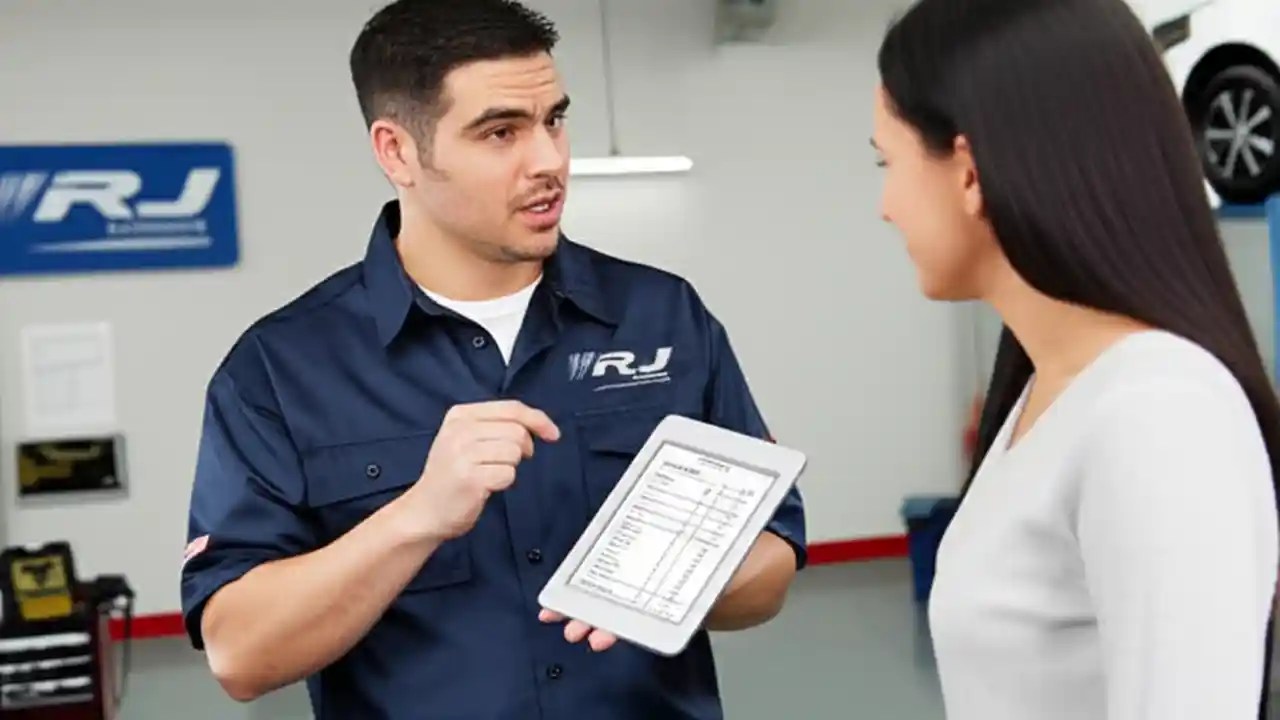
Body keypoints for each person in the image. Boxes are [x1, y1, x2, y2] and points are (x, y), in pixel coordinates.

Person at [177, 1, 806, 717]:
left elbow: (773, 562)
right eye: (501, 131)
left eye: (555, 121)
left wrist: (671, 580)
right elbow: (239, 656)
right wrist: (417, 515)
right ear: (397, 152)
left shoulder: (664, 317)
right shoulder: (279, 370)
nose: (549, 161)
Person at [871, 0, 1279, 718]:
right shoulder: (1047, 394)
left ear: (968, 173)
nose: (885, 204)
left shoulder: (1156, 412)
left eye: (888, 162)